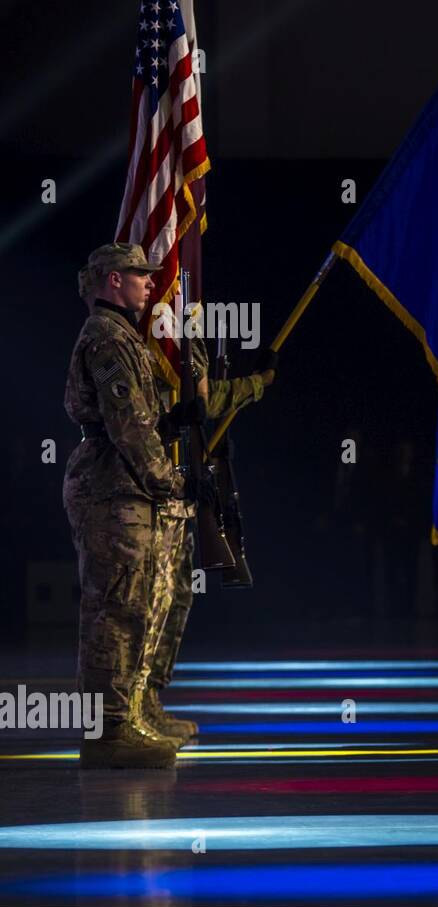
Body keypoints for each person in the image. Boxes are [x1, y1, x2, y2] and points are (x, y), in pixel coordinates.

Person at [63, 243, 190, 768]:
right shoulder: (107, 337)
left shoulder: (121, 335)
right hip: (112, 486)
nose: (150, 282)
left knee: (134, 605)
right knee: (114, 609)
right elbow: (127, 427)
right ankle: (109, 731)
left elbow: (140, 418)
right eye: (140, 274)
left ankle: (127, 717)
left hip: (124, 483)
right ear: (113, 279)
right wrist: (168, 481)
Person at [147, 327, 277, 745]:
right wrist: (255, 384)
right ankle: (128, 709)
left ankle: (148, 699)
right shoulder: (148, 331)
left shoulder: (183, 329)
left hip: (181, 487)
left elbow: (203, 399)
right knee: (147, 603)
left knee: (175, 596)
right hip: (155, 487)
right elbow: (184, 403)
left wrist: (256, 383)